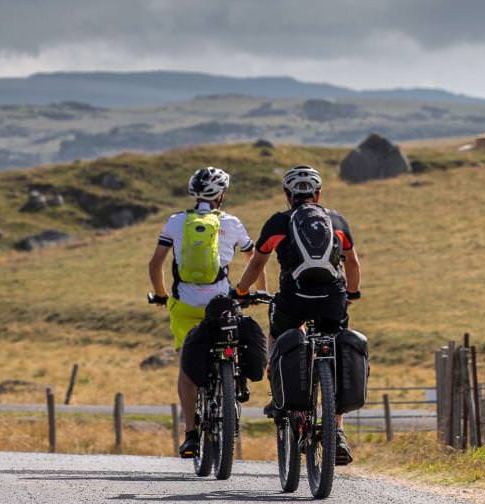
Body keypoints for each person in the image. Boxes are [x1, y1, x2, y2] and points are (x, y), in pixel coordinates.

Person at [232, 165, 362, 464]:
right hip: (333, 299)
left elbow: (257, 264)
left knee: (280, 337)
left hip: (294, 298)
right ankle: (337, 431)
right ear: (318, 194)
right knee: (335, 347)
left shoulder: (278, 222)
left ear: (287, 194)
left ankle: (282, 399)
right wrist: (351, 294)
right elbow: (352, 263)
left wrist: (240, 291)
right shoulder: (336, 220)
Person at [147, 167, 262, 458]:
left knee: (188, 365)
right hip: (220, 305)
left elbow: (155, 264)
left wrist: (161, 296)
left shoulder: (176, 222)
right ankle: (234, 384)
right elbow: (254, 261)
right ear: (220, 195)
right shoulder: (232, 223)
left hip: (185, 307)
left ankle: (190, 433)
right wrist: (253, 293)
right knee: (231, 346)